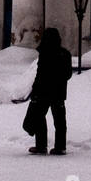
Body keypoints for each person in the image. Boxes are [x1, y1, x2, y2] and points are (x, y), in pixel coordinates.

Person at [28, 27, 73, 155]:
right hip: (58, 92)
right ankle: (60, 146)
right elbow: (68, 74)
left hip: (43, 91)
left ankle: (41, 145)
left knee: (40, 118)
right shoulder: (64, 54)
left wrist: (35, 89)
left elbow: (40, 74)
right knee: (59, 120)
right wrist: (57, 78)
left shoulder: (45, 53)